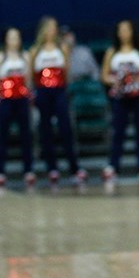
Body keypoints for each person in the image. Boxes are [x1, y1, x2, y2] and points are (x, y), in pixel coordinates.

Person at [100, 20, 139, 186]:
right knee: (118, 130)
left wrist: (136, 79)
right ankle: (113, 165)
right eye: (121, 30)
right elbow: (104, 75)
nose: (124, 33)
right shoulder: (112, 51)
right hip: (120, 97)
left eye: (127, 29)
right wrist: (117, 81)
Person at [30, 16, 87, 187]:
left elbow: (67, 71)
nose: (52, 30)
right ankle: (52, 168)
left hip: (60, 90)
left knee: (65, 128)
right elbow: (32, 74)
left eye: (54, 27)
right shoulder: (35, 51)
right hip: (43, 91)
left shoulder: (62, 48)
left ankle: (74, 167)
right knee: (45, 129)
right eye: (49, 27)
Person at [0, 27, 35, 189]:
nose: (14, 40)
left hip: (21, 99)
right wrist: (5, 91)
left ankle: (28, 170)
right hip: (5, 100)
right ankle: (0, 171)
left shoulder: (25, 56)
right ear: (6, 39)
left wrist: (22, 91)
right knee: (3, 135)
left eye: (17, 36)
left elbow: (29, 80)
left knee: (26, 135)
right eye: (11, 37)